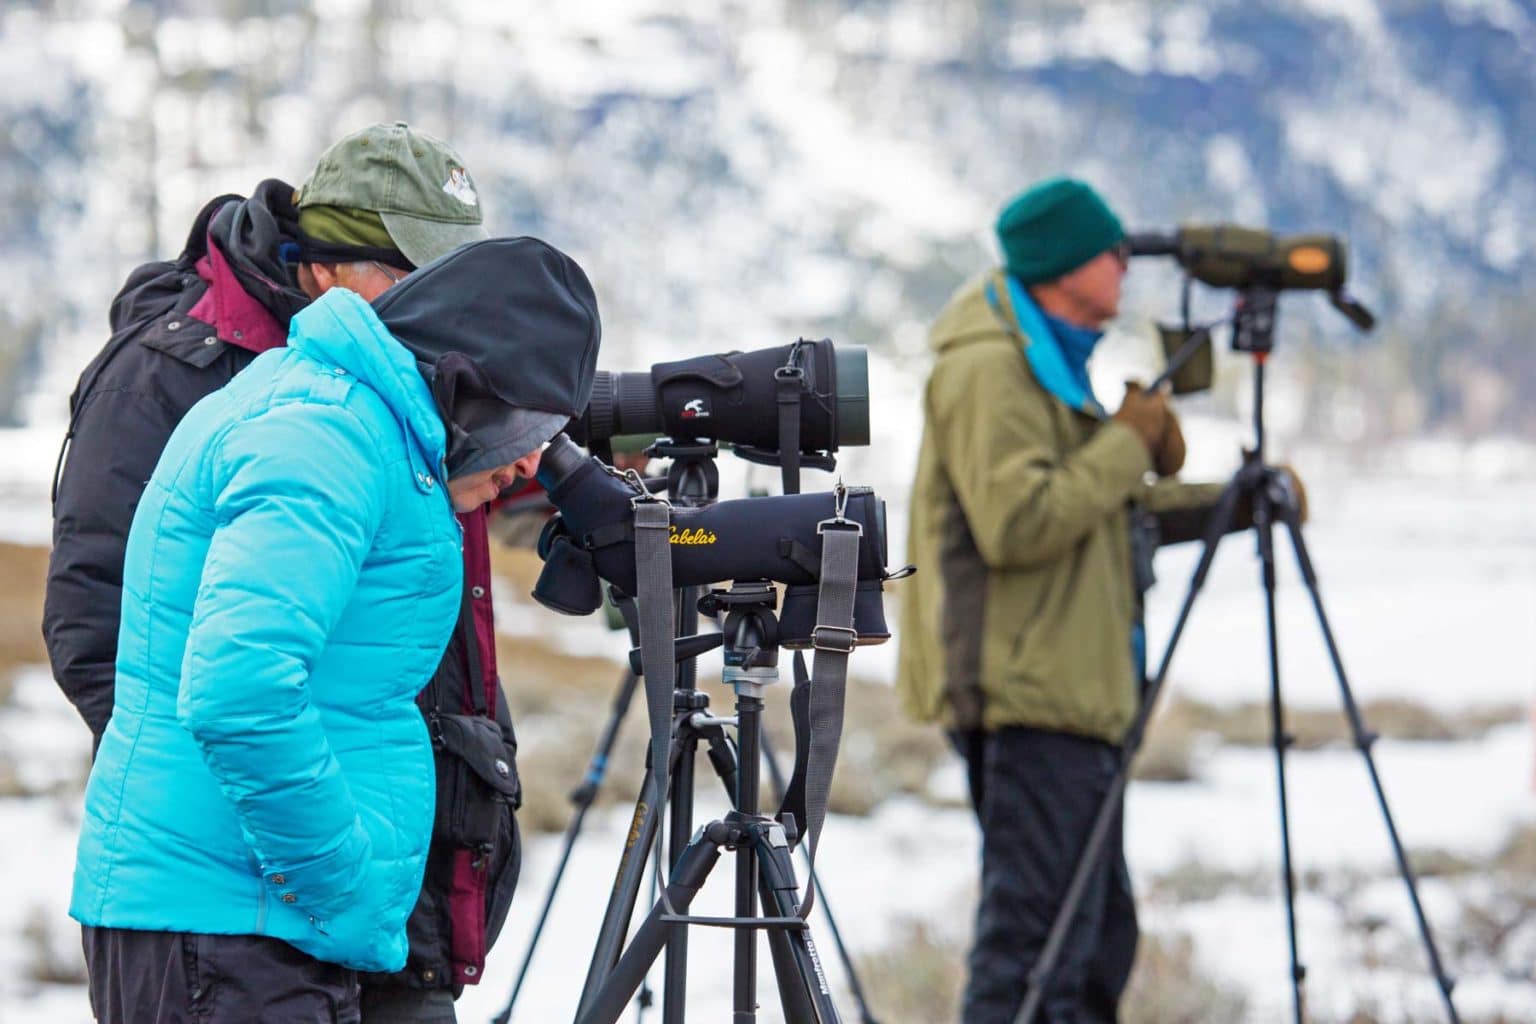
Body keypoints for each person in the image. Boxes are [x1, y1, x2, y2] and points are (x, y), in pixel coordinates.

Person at [43, 123, 527, 1021]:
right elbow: (107, 632)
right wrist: (298, 847)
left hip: (371, 889)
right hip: (258, 892)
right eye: (420, 277)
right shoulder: (184, 374)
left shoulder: (396, 380)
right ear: (331, 262)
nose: (446, 305)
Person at [897, 177, 1241, 1024]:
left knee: (1090, 947)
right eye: (1109, 249)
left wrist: (1228, 504)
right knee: (1037, 951)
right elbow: (1019, 521)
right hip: (1026, 696)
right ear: (1060, 264)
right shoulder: (990, 369)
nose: (1126, 264)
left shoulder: (1049, 364)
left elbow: (1092, 515)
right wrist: (1128, 443)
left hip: (1072, 694)